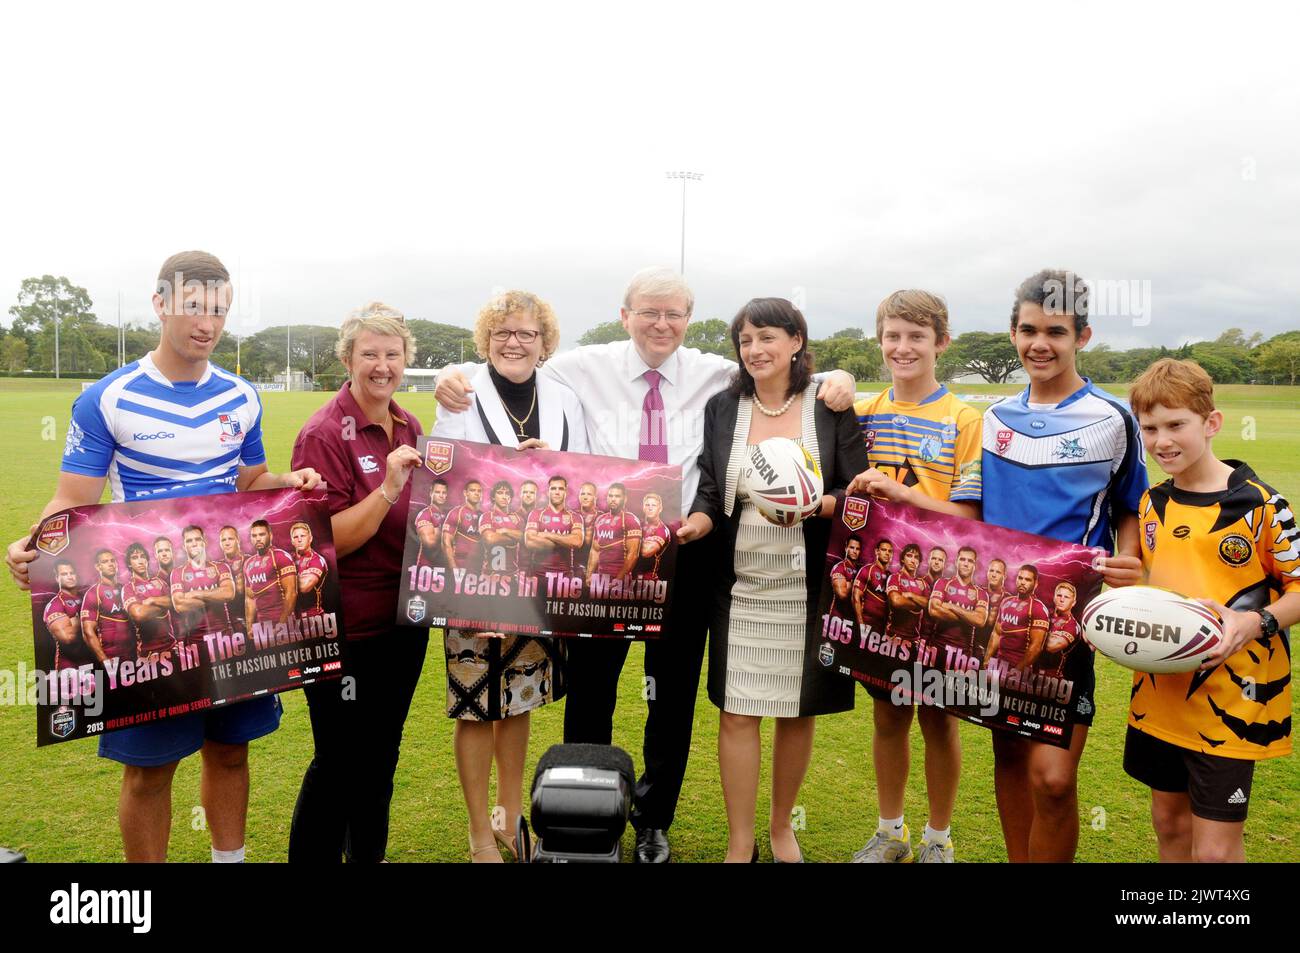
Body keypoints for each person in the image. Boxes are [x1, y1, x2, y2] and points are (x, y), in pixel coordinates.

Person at [434, 266, 856, 862]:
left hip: (684, 552)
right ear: (625, 315)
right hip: (601, 558)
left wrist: (841, 376)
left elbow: (785, 371)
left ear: (688, 319)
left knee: (671, 697)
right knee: (591, 692)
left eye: (674, 314)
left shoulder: (716, 372)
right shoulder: (583, 366)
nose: (661, 324)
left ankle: (654, 818)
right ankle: (586, 815)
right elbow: (512, 362)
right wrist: (449, 376)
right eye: (649, 312)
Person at [5, 249, 319, 863]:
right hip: (151, 607)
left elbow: (250, 482)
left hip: (224, 603)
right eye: (194, 307)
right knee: (150, 770)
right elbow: (73, 499)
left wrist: (288, 482)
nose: (207, 323)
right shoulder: (108, 397)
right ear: (160, 304)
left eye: (219, 311)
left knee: (230, 750)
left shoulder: (242, 396)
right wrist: (33, 544)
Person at [678, 297, 867, 862]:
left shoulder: (829, 407)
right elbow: (711, 488)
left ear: (795, 341)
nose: (755, 350)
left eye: (767, 337)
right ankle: (741, 841)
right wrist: (697, 523)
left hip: (807, 588)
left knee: (796, 709)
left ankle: (782, 826)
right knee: (737, 711)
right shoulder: (723, 407)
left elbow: (860, 496)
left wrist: (815, 505)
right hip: (738, 586)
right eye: (745, 340)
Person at [980, 269, 1145, 862]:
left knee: (1052, 778)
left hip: (1068, 622)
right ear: (1013, 333)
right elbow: (970, 513)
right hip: (1000, 614)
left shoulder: (1113, 418)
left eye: (1055, 332)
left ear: (1083, 336)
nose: (1039, 344)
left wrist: (1128, 561)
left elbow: (1132, 507)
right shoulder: (993, 418)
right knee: (1009, 754)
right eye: (1028, 330)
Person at [1123, 358, 1298, 862]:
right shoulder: (1152, 503)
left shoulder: (1261, 505)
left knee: (1216, 853)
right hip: (1159, 697)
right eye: (1150, 429)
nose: (1162, 441)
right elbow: (1160, 591)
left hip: (1231, 704)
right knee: (1169, 826)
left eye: (1176, 424)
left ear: (1211, 422)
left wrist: (1255, 621)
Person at [430, 290, 584, 862]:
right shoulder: (461, 389)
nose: (514, 343)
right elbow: (443, 466)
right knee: (476, 704)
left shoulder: (564, 397)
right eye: (502, 333)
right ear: (486, 340)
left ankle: (509, 814)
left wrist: (554, 465)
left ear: (544, 342)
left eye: (526, 333)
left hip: (537, 576)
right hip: (476, 576)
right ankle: (478, 833)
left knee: (518, 698)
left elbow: (584, 475)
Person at [845, 290, 983, 864]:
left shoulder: (964, 420)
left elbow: (970, 516)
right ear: (879, 340)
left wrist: (903, 495)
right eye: (893, 336)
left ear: (940, 342)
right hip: (884, 591)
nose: (903, 348)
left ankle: (938, 839)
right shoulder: (860, 413)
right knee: (888, 715)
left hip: (942, 590)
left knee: (940, 719)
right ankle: (890, 833)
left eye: (917, 337)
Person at [287, 302, 427, 864]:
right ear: (347, 359)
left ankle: (367, 856)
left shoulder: (408, 424)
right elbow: (324, 543)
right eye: (369, 353)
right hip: (345, 627)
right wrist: (388, 489)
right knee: (339, 762)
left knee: (382, 755)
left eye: (393, 354)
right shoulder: (323, 433)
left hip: (403, 621)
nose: (382, 365)